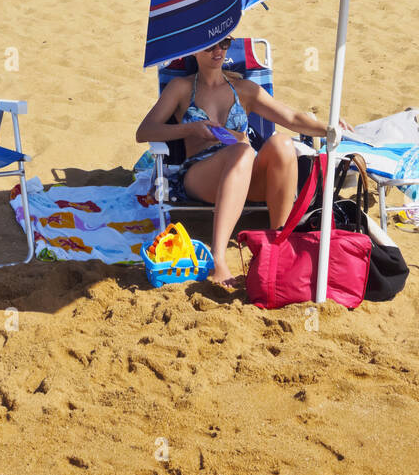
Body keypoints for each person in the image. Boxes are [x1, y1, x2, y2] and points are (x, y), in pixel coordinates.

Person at [137, 36, 354, 288]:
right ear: (194, 50)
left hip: (244, 173)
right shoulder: (181, 87)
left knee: (282, 144)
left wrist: (329, 127)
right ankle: (218, 257)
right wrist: (191, 129)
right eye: (209, 46)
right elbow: (145, 132)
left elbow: (292, 118)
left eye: (224, 43)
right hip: (200, 174)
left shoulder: (245, 89)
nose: (218, 50)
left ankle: (278, 245)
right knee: (242, 151)